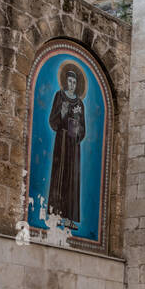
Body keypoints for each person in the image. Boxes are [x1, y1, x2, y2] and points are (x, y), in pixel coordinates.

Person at [48, 62, 87, 227]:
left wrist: (77, 124)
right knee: (59, 175)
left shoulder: (80, 104)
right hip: (62, 140)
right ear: (66, 82)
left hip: (73, 145)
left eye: (74, 82)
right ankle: (55, 214)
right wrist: (62, 111)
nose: (72, 84)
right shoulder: (59, 96)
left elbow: (83, 128)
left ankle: (69, 219)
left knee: (72, 179)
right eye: (70, 81)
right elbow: (53, 119)